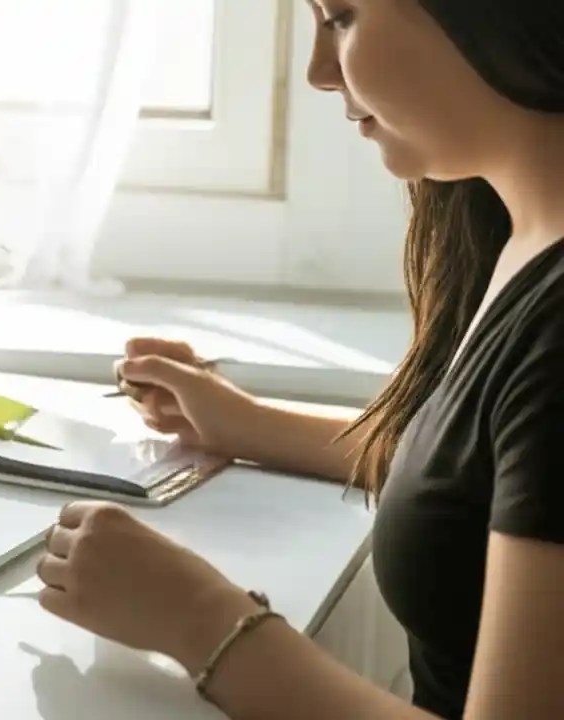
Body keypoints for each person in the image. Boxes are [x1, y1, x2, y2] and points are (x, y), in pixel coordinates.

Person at [34, 2, 564, 718]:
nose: (318, 72)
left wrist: (202, 619)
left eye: (340, 16)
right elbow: (474, 483)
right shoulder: (520, 233)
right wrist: (247, 424)